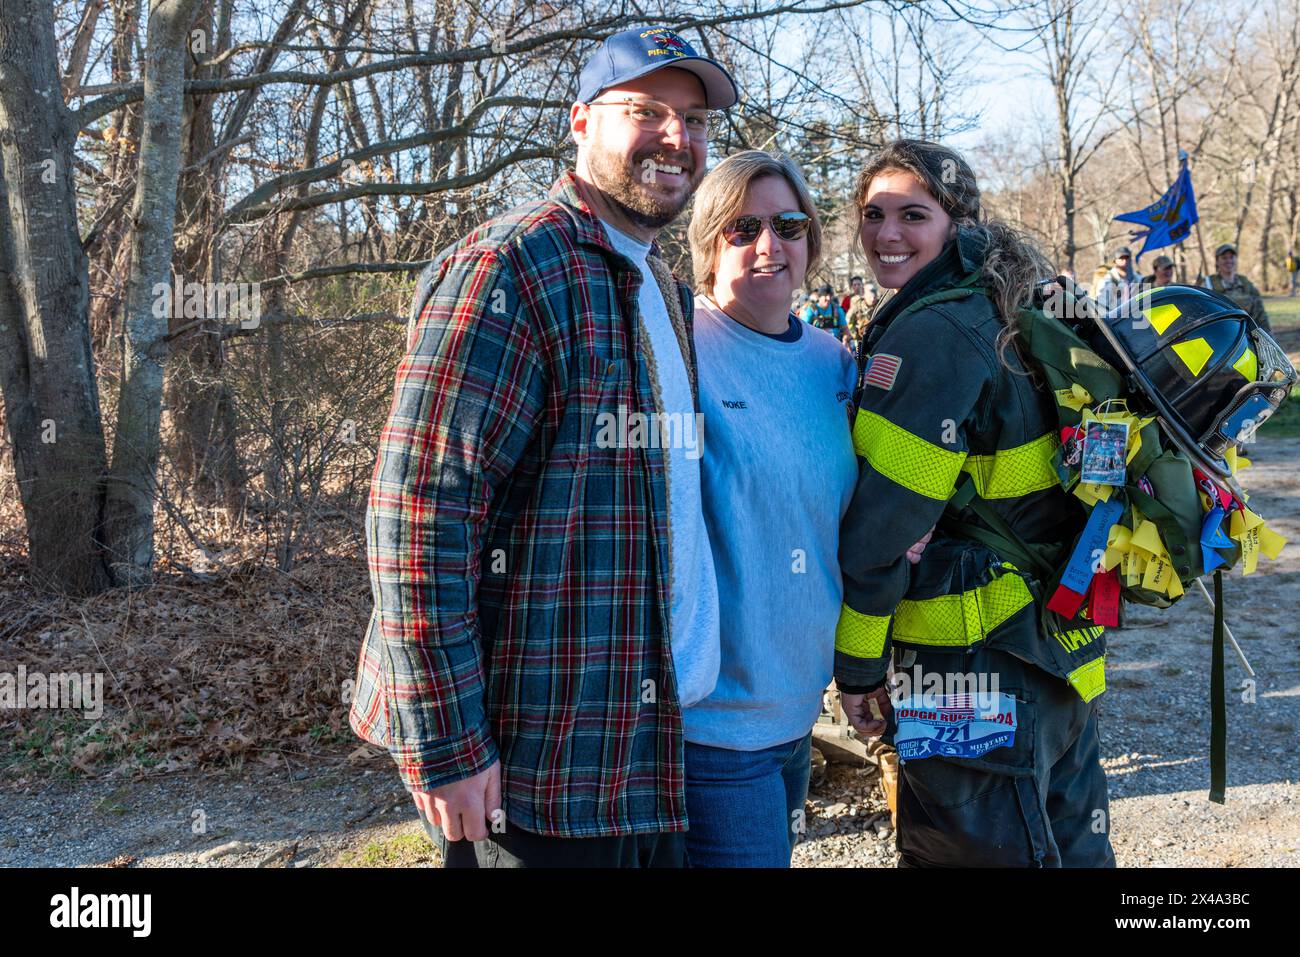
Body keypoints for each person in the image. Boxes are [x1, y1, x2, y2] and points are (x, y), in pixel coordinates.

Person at [350, 25, 738, 868]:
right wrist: (447, 746)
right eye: (646, 110)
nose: (678, 137)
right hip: (532, 773)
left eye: (697, 118)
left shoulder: (658, 283)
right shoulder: (512, 266)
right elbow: (416, 516)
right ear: (580, 121)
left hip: (638, 746)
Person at [835, 138, 1115, 868]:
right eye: (873, 213)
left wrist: (859, 667)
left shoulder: (933, 332)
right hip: (1058, 653)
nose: (886, 234)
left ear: (957, 223)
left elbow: (884, 532)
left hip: (964, 669)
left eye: (912, 215)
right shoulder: (1008, 307)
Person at [682, 150, 862, 866]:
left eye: (788, 224)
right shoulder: (679, 350)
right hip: (713, 725)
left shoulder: (834, 363)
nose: (769, 244)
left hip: (798, 711)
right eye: (742, 227)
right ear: (707, 243)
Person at [1204, 242, 1270, 333]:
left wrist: (1267, 336)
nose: (1228, 261)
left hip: (1248, 335)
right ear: (1217, 261)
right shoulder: (1208, 284)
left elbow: (1260, 314)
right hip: (1220, 334)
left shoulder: (1246, 284)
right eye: (1224, 258)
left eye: (1231, 257)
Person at [1093, 245, 1139, 313]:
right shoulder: (1107, 280)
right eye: (1121, 258)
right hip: (1113, 319)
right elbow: (1101, 306)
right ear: (1115, 260)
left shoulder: (1136, 278)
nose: (1125, 261)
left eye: (1127, 258)